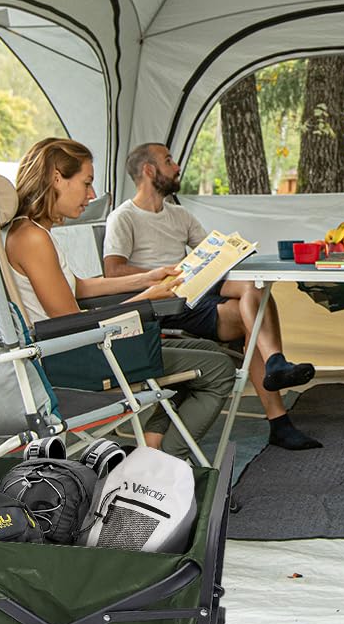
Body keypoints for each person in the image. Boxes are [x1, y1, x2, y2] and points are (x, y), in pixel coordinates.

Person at [5, 137, 234, 461]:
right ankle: (163, 465)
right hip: (73, 359)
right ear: (57, 177)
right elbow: (71, 323)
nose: (92, 195)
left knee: (206, 351)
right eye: (85, 182)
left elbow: (77, 287)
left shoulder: (33, 232)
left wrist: (145, 278)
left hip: (75, 350)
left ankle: (154, 442)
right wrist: (145, 299)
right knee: (220, 369)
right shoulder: (32, 238)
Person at [102, 142, 322, 451]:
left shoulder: (180, 215)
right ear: (148, 170)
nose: (177, 166)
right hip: (162, 304)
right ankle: (279, 416)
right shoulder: (123, 218)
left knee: (254, 293)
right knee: (253, 316)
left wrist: (230, 252)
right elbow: (113, 271)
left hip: (195, 294)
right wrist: (165, 273)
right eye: (168, 161)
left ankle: (275, 367)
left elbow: (209, 255)